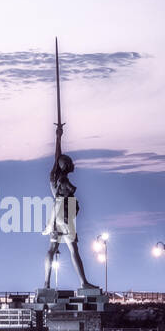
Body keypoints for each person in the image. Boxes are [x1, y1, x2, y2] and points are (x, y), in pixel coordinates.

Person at [43, 124, 98, 290]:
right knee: (73, 249)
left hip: (57, 213)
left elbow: (56, 156)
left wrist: (58, 136)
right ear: (66, 165)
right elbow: (57, 157)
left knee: (53, 248)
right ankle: (83, 282)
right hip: (65, 215)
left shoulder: (53, 178)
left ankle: (46, 283)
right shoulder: (62, 181)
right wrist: (58, 137)